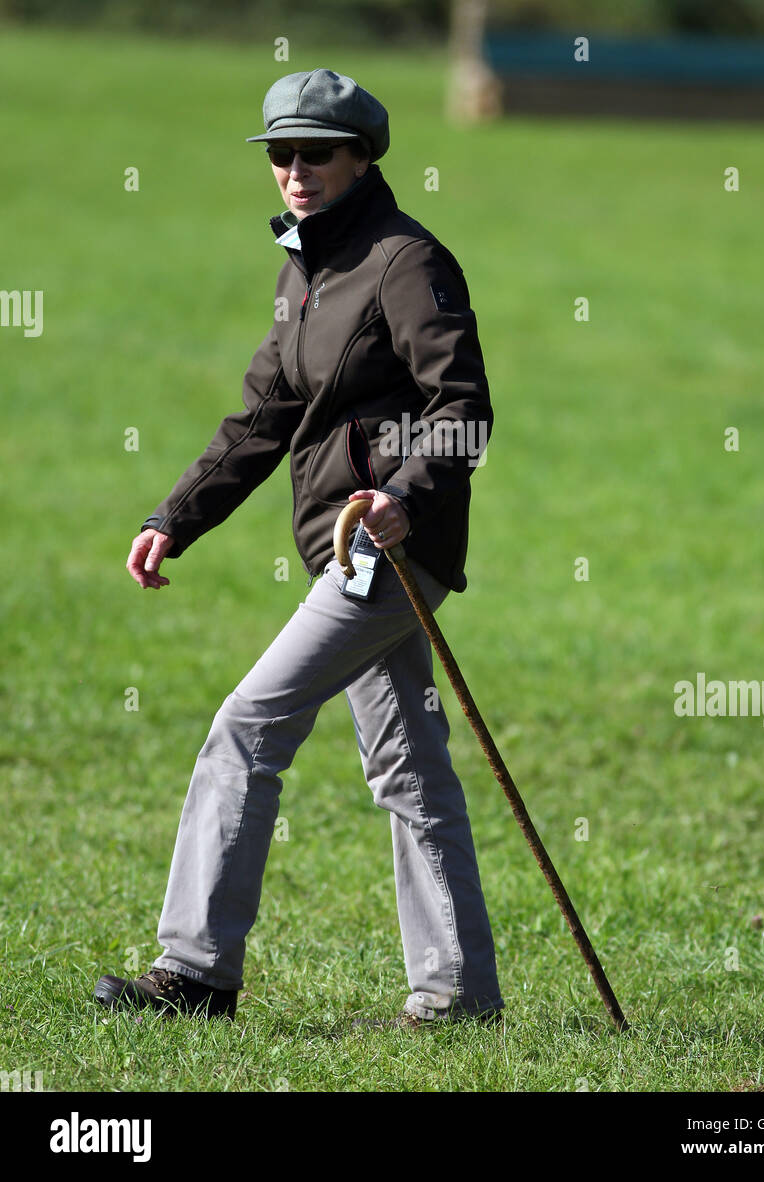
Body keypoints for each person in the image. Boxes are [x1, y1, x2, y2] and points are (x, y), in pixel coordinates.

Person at [93, 69, 504, 1029]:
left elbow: (464, 409)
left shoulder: (406, 261)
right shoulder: (306, 270)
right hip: (346, 548)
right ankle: (458, 995)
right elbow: (267, 414)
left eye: (315, 152)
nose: (294, 171)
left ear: (363, 157)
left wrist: (401, 499)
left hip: (386, 549)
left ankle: (195, 973)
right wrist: (174, 518)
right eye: (281, 154)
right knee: (410, 767)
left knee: (248, 724)